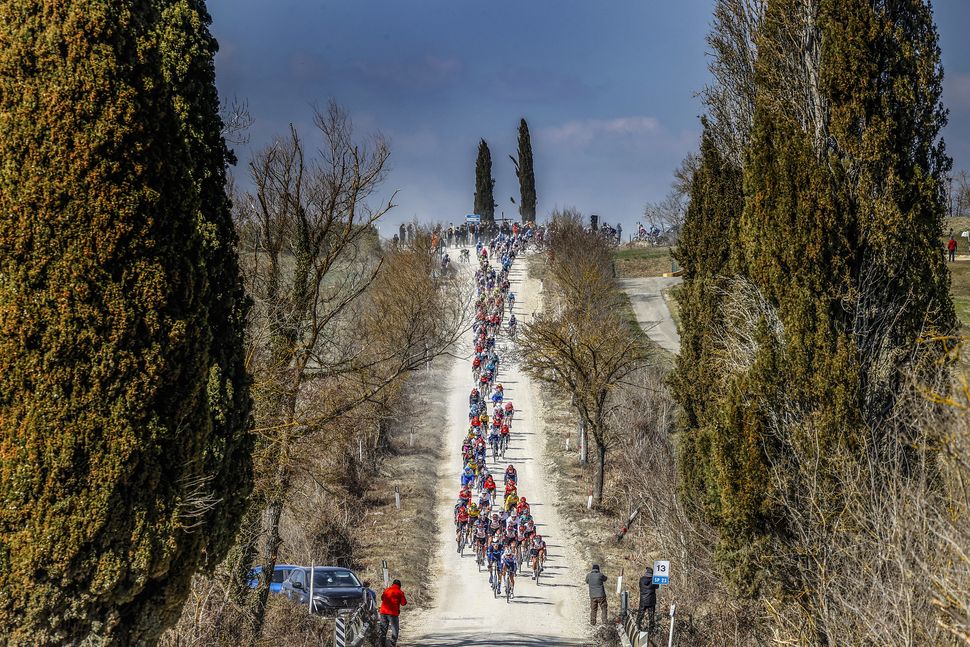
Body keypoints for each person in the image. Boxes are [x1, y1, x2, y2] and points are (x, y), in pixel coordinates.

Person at [379, 579, 407, 647]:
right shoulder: (400, 592)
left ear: (392, 584)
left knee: (383, 629)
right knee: (395, 629)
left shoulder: (387, 590)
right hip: (393, 614)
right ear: (399, 586)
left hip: (383, 612)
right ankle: (392, 644)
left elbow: (382, 598)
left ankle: (382, 645)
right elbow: (404, 603)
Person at [636, 566, 659, 633]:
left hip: (643, 600)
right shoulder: (654, 581)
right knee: (651, 616)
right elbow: (657, 586)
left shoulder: (641, 580)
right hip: (651, 601)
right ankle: (651, 630)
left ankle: (637, 626)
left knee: (640, 614)